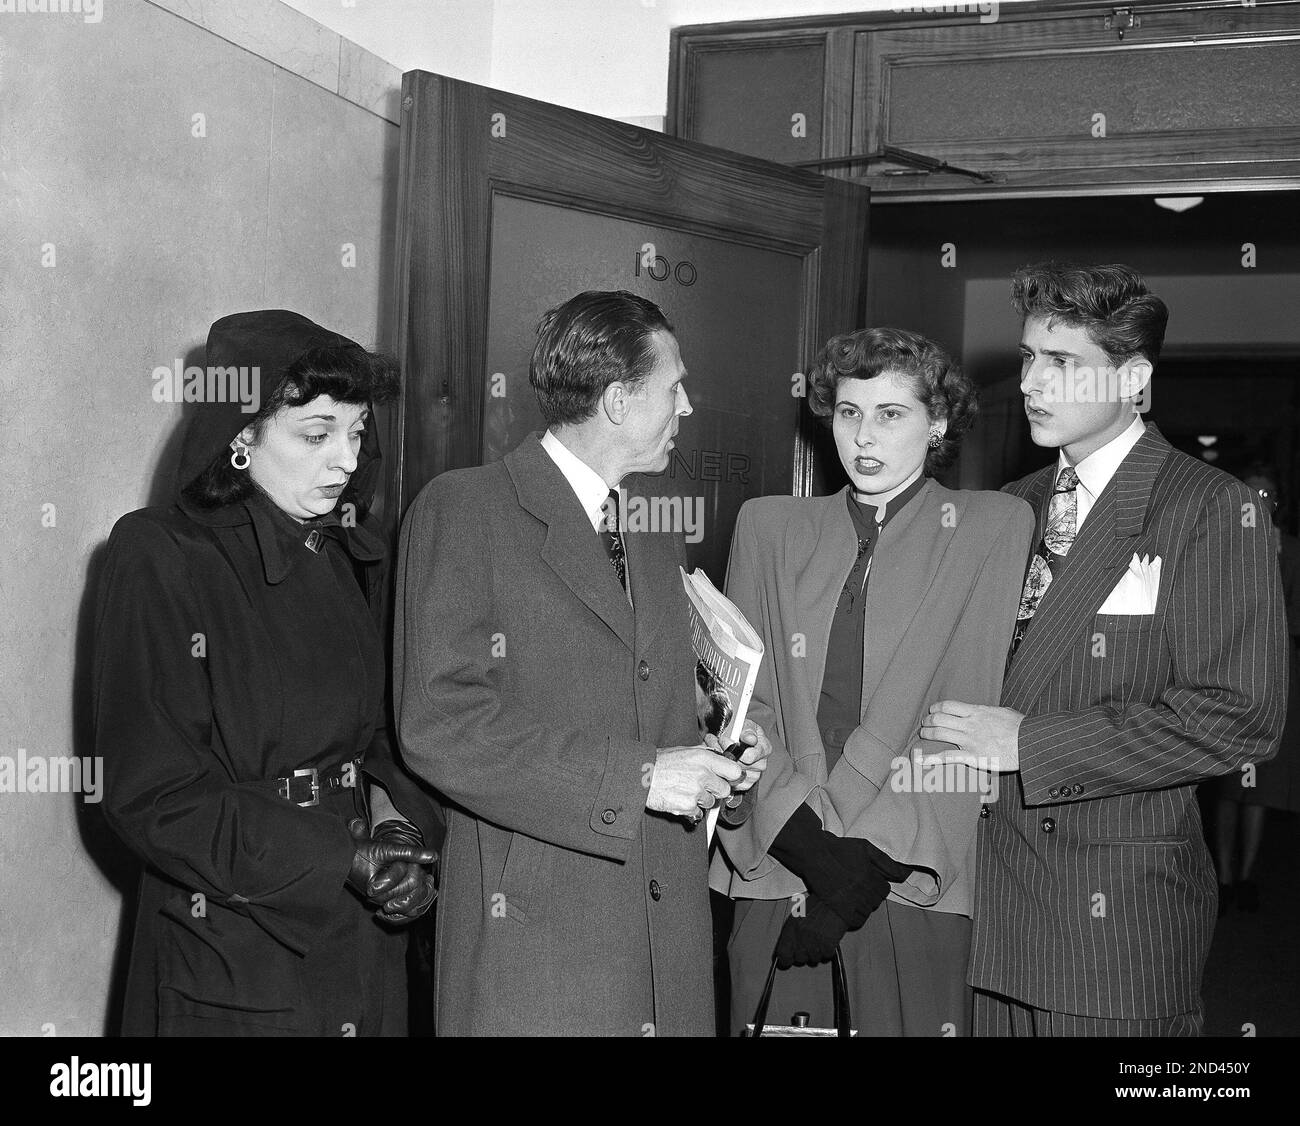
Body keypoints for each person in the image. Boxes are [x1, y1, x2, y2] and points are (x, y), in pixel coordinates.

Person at [393, 290, 770, 1036]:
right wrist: (641, 777)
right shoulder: (465, 509)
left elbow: (649, 701)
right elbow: (441, 724)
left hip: (670, 948)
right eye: (675, 388)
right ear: (619, 400)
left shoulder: (652, 523)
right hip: (539, 945)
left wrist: (721, 751)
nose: (687, 407)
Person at [924, 262, 1288, 1036]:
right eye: (1028, 358)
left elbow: (1239, 717)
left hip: (1111, 923)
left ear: (1133, 378)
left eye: (1063, 364)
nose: (1032, 384)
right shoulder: (1006, 506)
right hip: (983, 902)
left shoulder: (1210, 506)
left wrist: (1032, 743)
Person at [95, 310, 441, 1036]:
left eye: (355, 433)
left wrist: (396, 827)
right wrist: (340, 857)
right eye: (316, 436)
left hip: (363, 951)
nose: (345, 461)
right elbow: (155, 797)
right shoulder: (160, 555)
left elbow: (377, 740)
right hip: (232, 955)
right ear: (241, 439)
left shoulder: (349, 556)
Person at [711, 327, 1035, 1036]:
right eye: (849, 413)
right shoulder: (767, 526)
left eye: (892, 414)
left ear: (938, 422)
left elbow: (960, 714)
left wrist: (855, 873)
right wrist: (808, 846)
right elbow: (742, 709)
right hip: (779, 850)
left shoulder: (992, 527)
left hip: (907, 867)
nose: (864, 436)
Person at [1211, 463, 1300, 913]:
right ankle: (1224, 877)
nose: (1258, 505)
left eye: (1267, 497)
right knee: (1230, 785)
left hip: (1277, 685)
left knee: (1261, 785)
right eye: (1251, 495)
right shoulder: (1224, 549)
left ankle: (1246, 876)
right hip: (1231, 684)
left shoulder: (1293, 553)